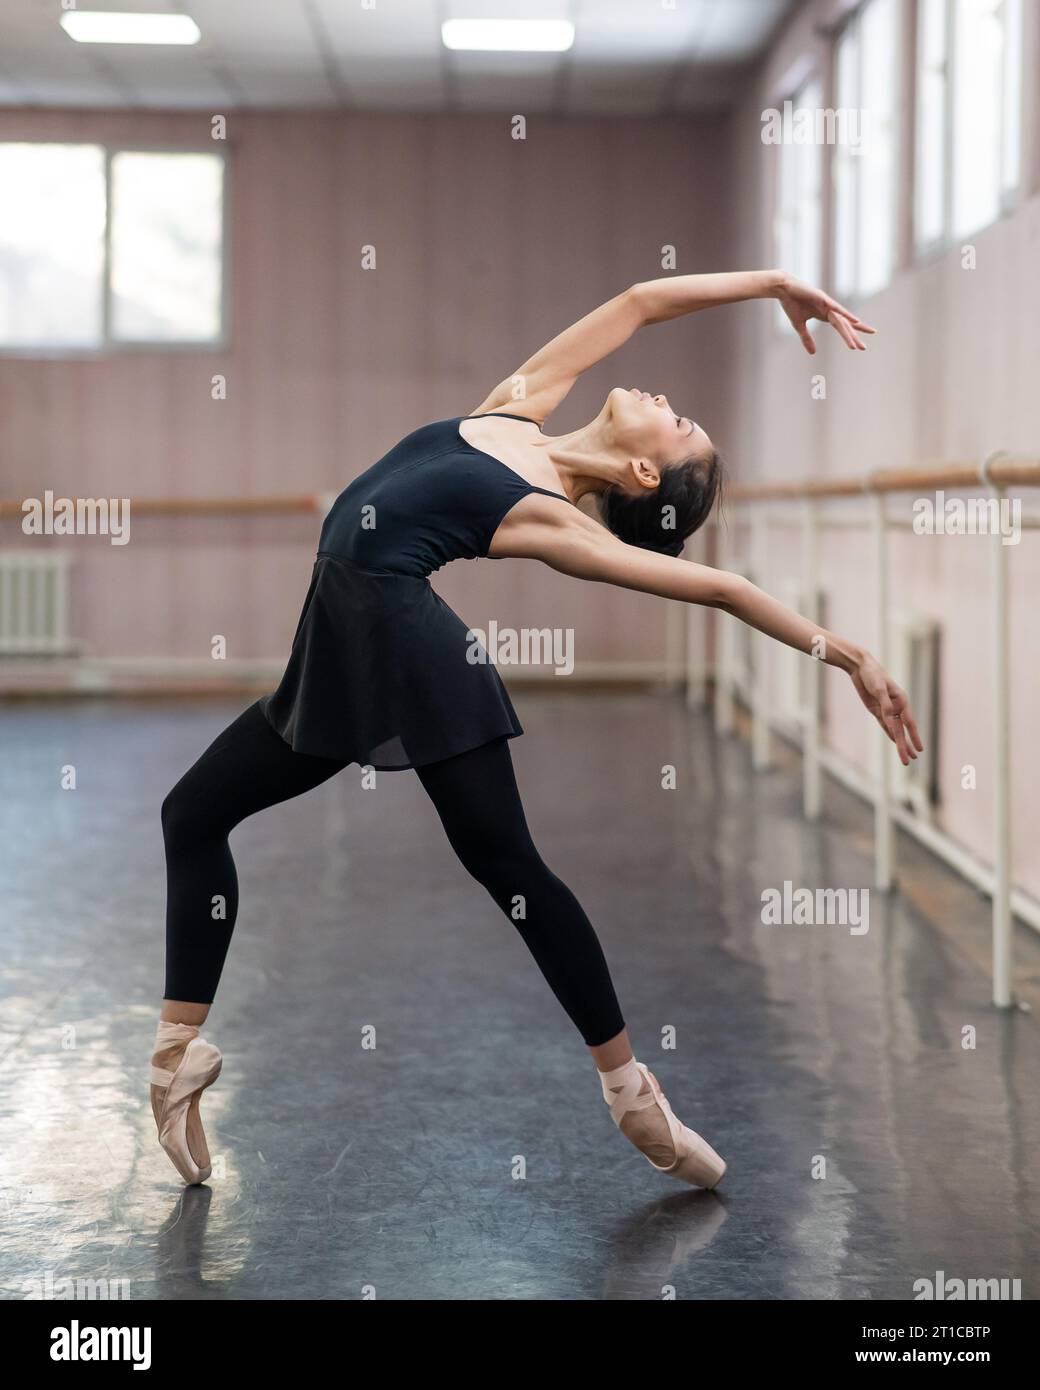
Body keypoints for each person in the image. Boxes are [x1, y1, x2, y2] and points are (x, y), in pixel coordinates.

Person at [151, 268, 922, 1190]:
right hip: (342, 649)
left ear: (644, 474)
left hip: (413, 654)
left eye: (677, 427)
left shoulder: (550, 520)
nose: (668, 400)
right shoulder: (514, 410)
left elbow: (723, 588)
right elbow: (639, 302)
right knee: (192, 815)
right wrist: (771, 285)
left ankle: (631, 1091)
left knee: (510, 869)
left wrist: (851, 657)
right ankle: (173, 1061)